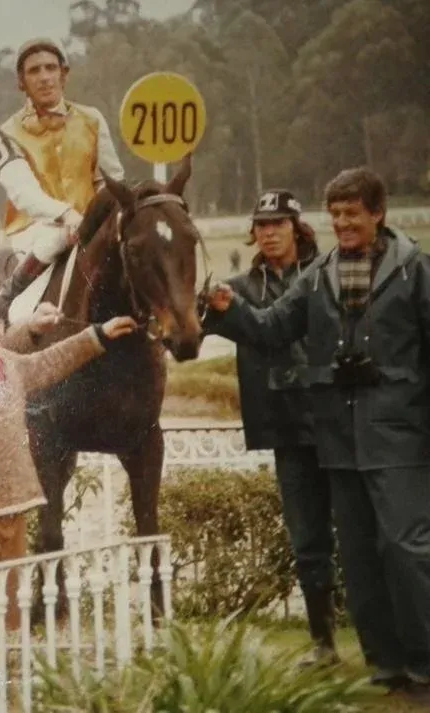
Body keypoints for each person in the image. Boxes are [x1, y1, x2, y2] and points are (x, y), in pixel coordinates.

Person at [206, 168, 430, 702]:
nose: (343, 223)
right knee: (357, 554)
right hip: (338, 438)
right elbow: (270, 328)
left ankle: (425, 663)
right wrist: (229, 310)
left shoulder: (415, 270)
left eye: (353, 213)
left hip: (399, 434)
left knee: (406, 548)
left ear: (378, 214)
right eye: (335, 215)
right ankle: (385, 666)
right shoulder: (321, 274)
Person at [0, 287, 136, 634]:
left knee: (10, 621)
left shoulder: (11, 365)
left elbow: (52, 361)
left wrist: (99, 333)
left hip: (14, 511)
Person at [206, 189, 338, 664]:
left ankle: (384, 635)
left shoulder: (328, 276)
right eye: (261, 225)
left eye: (278, 223)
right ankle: (324, 645)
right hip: (287, 431)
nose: (268, 232)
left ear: (298, 229)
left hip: (339, 425)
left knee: (365, 537)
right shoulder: (236, 290)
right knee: (308, 542)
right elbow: (184, 332)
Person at [0, 36, 124, 303]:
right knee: (56, 236)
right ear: (21, 82)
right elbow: (25, 195)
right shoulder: (3, 135)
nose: (44, 77)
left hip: (90, 224)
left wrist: (96, 217)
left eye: (51, 68)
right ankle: (13, 293)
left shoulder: (92, 119)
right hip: (36, 231)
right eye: (34, 71)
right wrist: (67, 216)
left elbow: (111, 180)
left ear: (64, 74)